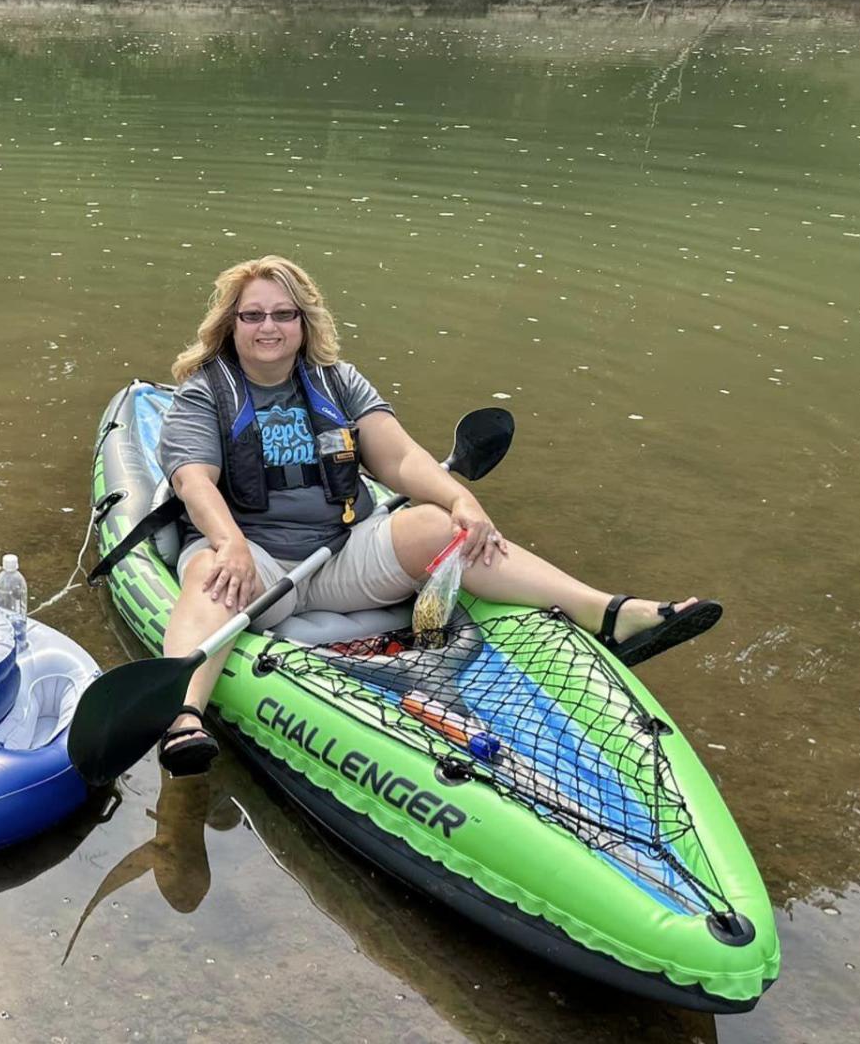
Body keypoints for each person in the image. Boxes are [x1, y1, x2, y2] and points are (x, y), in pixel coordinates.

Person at [152, 255, 721, 776]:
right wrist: (229, 542)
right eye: (253, 315)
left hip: (339, 553)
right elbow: (193, 480)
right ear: (231, 323)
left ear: (304, 322)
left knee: (439, 526)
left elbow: (399, 457)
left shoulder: (337, 382)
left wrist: (460, 500)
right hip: (256, 563)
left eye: (283, 314)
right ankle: (183, 717)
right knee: (214, 572)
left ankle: (607, 613)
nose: (268, 327)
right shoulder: (206, 394)